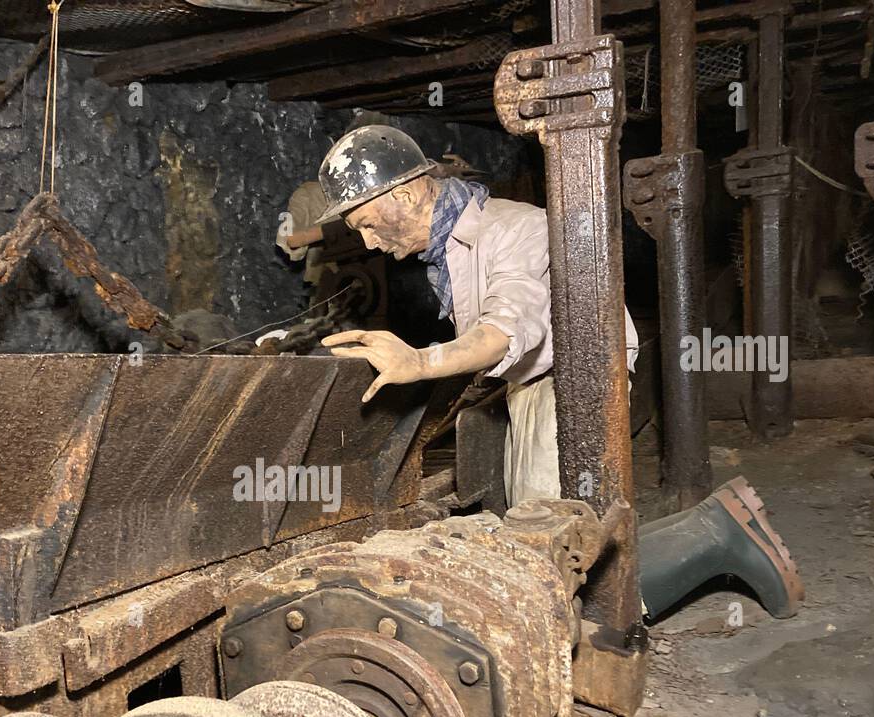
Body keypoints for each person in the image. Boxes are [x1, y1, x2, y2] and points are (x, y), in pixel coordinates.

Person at [313, 125, 802, 620]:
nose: (371, 244)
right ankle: (714, 526)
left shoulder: (512, 230)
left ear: (409, 193)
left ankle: (719, 538)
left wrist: (420, 362)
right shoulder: (451, 250)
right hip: (528, 385)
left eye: (368, 224)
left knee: (553, 565)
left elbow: (505, 330)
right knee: (545, 536)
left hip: (571, 382)